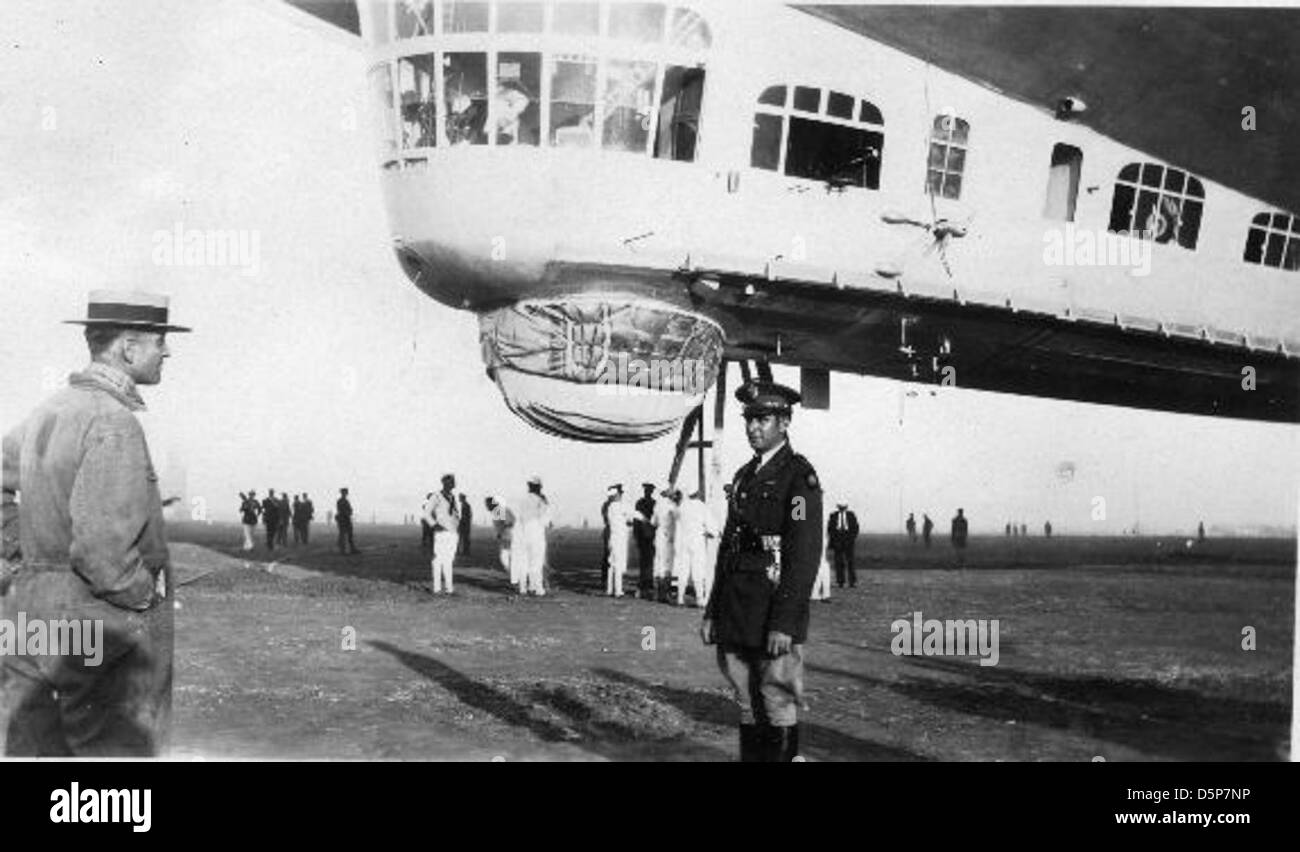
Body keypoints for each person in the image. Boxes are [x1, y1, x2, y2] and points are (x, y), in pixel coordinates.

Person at [1, 289, 189, 756]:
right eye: (158, 340)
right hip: (96, 619)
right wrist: (145, 597)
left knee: (36, 752)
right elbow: (103, 552)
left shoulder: (48, 410)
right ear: (128, 348)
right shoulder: (114, 422)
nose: (166, 351)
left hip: (27, 614)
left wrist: (19, 551)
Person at [701, 381, 823, 762]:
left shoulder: (800, 479)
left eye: (764, 419)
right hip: (737, 608)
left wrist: (785, 622)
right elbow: (727, 550)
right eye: (750, 419)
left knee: (776, 699)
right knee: (745, 700)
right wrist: (712, 610)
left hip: (773, 608)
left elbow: (804, 554)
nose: (754, 427)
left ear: (784, 422)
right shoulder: (743, 477)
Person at [673, 489, 715, 607]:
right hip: (697, 541)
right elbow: (711, 527)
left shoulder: (682, 507)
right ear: (698, 493)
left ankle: (680, 598)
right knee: (698, 570)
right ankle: (699, 599)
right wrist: (712, 533)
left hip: (683, 540)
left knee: (683, 569)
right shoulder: (702, 507)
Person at [514, 476, 552, 596]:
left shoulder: (522, 500)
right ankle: (537, 588)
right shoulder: (541, 500)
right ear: (539, 487)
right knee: (536, 562)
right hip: (536, 532)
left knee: (523, 561)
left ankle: (523, 588)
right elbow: (545, 520)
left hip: (522, 532)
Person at [426, 474, 459, 594]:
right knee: (438, 560)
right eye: (451, 482)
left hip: (453, 533)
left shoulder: (452, 497)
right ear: (445, 483)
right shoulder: (437, 496)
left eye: (454, 482)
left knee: (449, 560)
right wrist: (434, 525)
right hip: (441, 533)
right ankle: (437, 588)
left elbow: (454, 515)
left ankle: (449, 589)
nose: (453, 484)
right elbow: (427, 513)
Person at [605, 484, 631, 597]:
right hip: (619, 538)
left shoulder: (610, 507)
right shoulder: (620, 506)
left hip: (613, 537)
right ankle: (618, 590)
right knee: (619, 564)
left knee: (612, 564)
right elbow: (632, 515)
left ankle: (610, 589)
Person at [652, 486, 677, 601]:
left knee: (658, 563)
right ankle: (665, 592)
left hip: (659, 535)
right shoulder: (672, 506)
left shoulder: (657, 505)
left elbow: (654, 522)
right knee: (668, 564)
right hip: (669, 537)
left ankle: (657, 592)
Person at [826, 501, 859, 588]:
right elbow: (830, 529)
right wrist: (834, 540)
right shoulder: (833, 515)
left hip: (848, 539)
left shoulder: (851, 515)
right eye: (840, 506)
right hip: (838, 540)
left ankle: (852, 582)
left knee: (850, 561)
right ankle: (840, 582)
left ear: (846, 507)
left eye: (843, 506)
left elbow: (855, 528)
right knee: (839, 562)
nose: (842, 507)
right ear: (838, 506)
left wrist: (851, 539)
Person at [633, 483, 657, 599]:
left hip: (643, 535)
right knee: (649, 562)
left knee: (644, 562)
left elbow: (636, 522)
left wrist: (636, 535)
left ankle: (644, 584)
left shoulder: (639, 503)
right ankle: (648, 584)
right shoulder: (654, 504)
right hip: (650, 535)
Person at [485, 497, 516, 585]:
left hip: (508, 537)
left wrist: (501, 531)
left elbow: (510, 523)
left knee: (505, 558)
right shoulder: (499, 510)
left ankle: (515, 578)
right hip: (507, 537)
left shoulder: (499, 510)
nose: (486, 506)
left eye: (487, 504)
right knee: (508, 558)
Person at [336, 487, 358, 554]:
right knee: (343, 535)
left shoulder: (343, 501)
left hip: (345, 518)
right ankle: (343, 550)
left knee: (348, 534)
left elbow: (349, 510)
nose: (345, 494)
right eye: (345, 493)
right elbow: (344, 510)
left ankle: (351, 549)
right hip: (344, 519)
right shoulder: (342, 501)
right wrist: (348, 512)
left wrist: (349, 512)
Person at [457, 493, 473, 558]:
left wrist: (461, 523)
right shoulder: (465, 505)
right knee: (464, 538)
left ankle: (464, 552)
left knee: (463, 538)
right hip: (465, 524)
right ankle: (465, 551)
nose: (459, 499)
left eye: (460, 498)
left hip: (464, 524)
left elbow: (465, 516)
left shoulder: (465, 505)